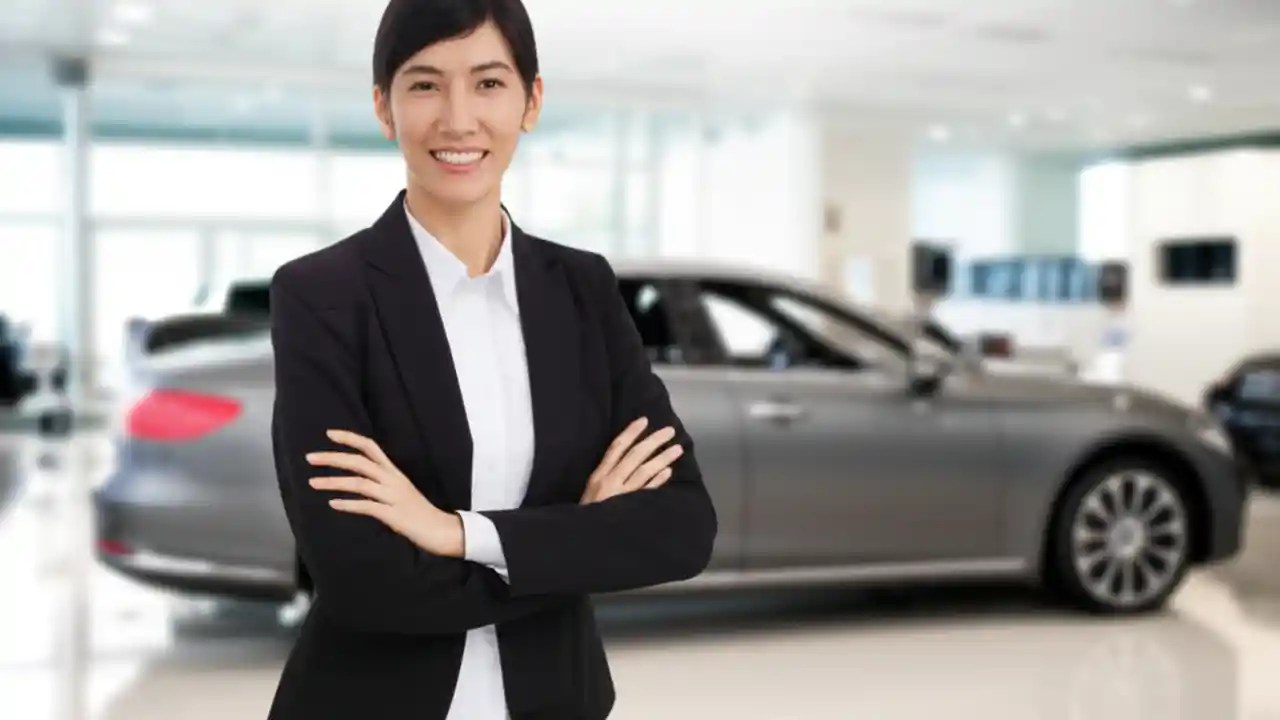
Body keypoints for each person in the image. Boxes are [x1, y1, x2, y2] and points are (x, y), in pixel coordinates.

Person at [265, 1, 718, 718]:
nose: (457, 119)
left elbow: (684, 528)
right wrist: (578, 539)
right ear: (384, 108)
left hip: (556, 698)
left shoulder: (582, 290)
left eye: (487, 83)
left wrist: (459, 533)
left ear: (531, 100)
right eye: (423, 85)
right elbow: (362, 577)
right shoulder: (322, 296)